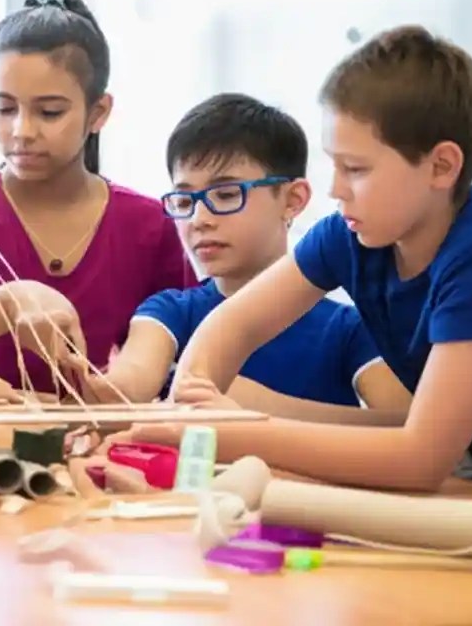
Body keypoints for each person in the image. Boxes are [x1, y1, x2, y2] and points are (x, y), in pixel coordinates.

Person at [139, 26, 472, 492]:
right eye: (335, 165)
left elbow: (420, 459)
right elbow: (235, 326)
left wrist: (238, 431)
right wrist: (191, 400)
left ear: (441, 166)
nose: (335, 188)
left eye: (356, 169)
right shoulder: (350, 236)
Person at [0, 0, 196, 397]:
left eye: (50, 112)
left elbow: (175, 376)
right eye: (5, 109)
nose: (22, 130)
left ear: (99, 112)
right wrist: (10, 301)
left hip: (105, 451)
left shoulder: (151, 228)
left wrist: (22, 402)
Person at [92, 93, 410, 421]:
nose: (199, 219)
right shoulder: (171, 311)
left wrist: (263, 407)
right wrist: (94, 387)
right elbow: (132, 380)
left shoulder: (347, 328)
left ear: (292, 199)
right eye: (185, 201)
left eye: (226, 195)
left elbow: (405, 425)